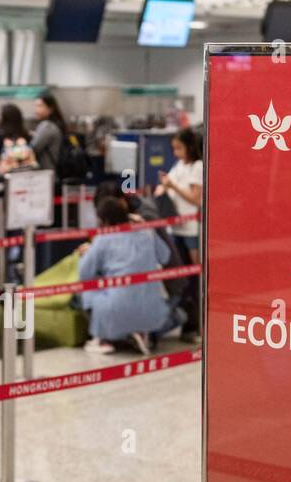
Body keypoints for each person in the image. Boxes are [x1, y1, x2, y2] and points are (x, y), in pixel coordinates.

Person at [77, 189, 181, 355]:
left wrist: (87, 253)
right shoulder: (146, 230)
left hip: (118, 308)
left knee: (86, 290)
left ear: (102, 220)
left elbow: (84, 274)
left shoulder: (103, 238)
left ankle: (103, 338)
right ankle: (139, 332)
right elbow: (165, 256)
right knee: (178, 315)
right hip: (153, 308)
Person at [155, 125, 203, 341]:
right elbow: (167, 185)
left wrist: (172, 187)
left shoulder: (198, 167)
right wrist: (163, 188)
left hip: (191, 229)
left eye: (179, 149)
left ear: (189, 147)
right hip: (176, 227)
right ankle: (187, 322)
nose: (176, 153)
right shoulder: (179, 166)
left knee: (195, 277)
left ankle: (196, 323)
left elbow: (195, 199)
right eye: (173, 149)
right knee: (180, 277)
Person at [29, 90, 67, 173]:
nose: (36, 110)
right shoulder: (55, 124)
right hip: (53, 172)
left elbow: (33, 148)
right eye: (35, 106)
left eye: (40, 106)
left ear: (50, 108)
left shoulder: (47, 126)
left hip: (46, 174)